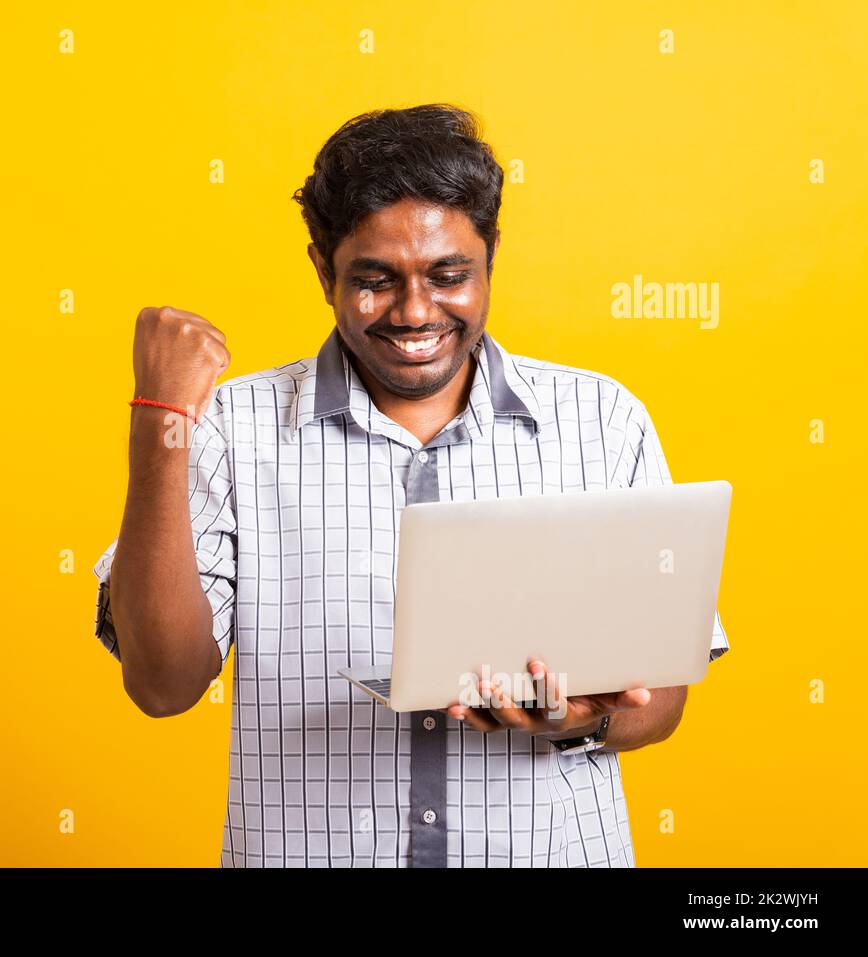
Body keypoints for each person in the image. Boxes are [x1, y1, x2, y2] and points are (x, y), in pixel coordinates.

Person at [91, 104, 729, 867]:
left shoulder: (603, 420)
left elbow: (662, 702)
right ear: (323, 270)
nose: (417, 311)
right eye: (375, 280)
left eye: (449, 275)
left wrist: (576, 719)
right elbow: (162, 683)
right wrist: (160, 418)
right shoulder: (234, 426)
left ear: (491, 254)